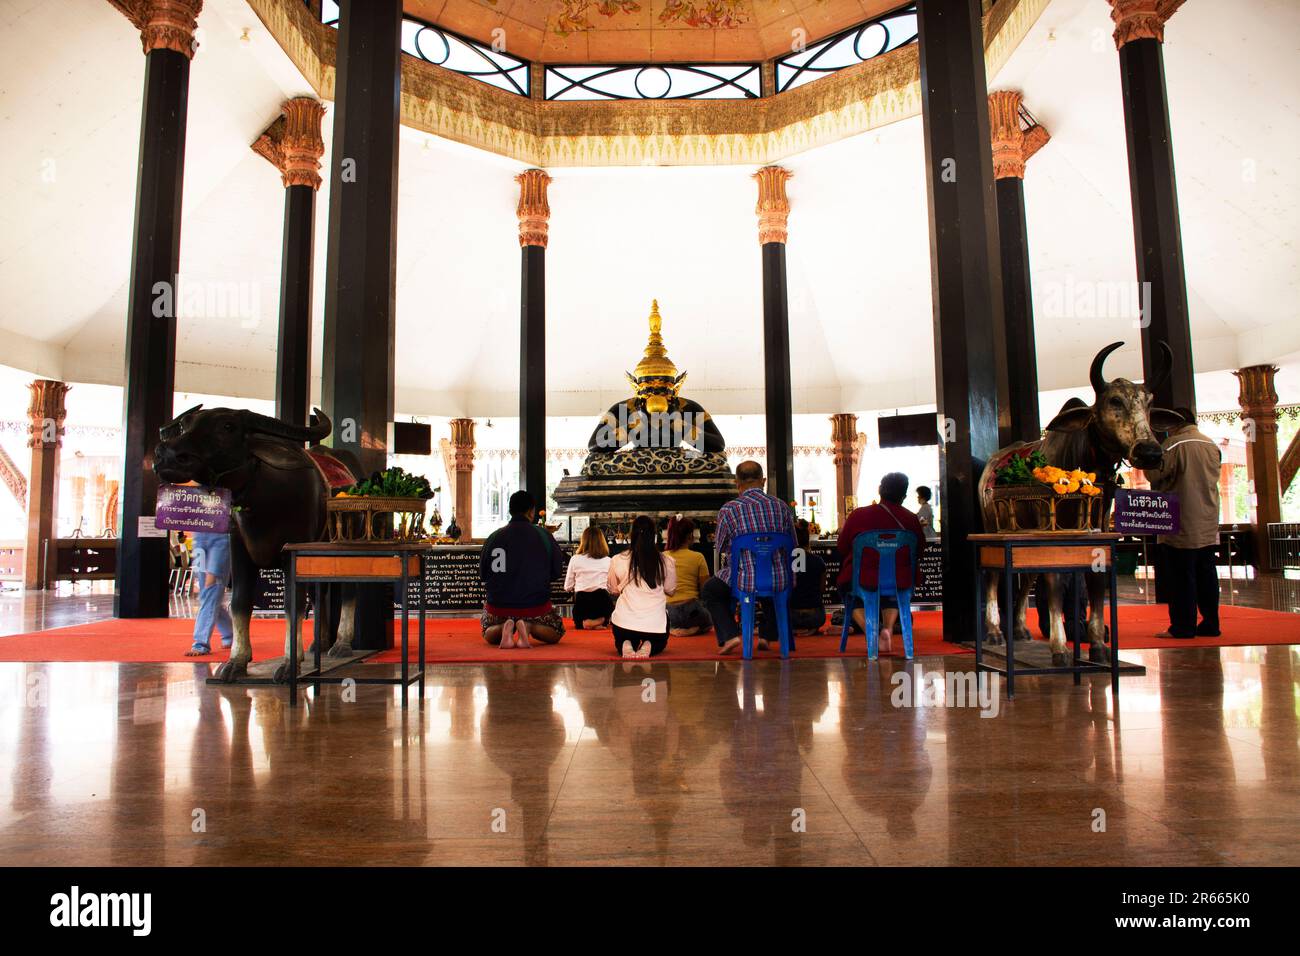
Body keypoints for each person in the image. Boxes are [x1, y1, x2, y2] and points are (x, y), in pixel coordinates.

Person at [702, 460, 798, 655]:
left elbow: (720, 547)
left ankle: (730, 635)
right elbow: (793, 544)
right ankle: (766, 636)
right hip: (780, 578)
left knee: (711, 590)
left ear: (737, 483)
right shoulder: (781, 507)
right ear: (763, 481)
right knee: (775, 586)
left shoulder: (729, 510)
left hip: (743, 579)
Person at [1144, 408, 1222, 639]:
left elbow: (1154, 475)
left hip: (1180, 521)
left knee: (1181, 577)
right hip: (1208, 520)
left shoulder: (1174, 445)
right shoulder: (1211, 444)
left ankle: (1183, 626)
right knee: (1207, 575)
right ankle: (1211, 624)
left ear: (1174, 423)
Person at [836, 472, 926, 652]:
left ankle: (871, 632)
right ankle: (888, 628)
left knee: (848, 589)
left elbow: (842, 547)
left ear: (880, 490)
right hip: (899, 579)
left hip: (863, 578)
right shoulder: (910, 519)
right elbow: (920, 550)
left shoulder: (858, 515)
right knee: (892, 594)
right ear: (904, 496)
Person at [479, 490, 566, 648]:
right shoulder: (544, 536)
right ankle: (528, 626)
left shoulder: (494, 537)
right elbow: (556, 572)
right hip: (535, 606)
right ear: (531, 512)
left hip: (498, 606)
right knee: (557, 631)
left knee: (487, 630)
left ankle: (503, 628)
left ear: (510, 510)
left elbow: (484, 575)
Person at [607, 515, 677, 658]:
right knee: (660, 641)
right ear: (654, 535)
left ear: (631, 535)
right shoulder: (666, 561)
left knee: (622, 636)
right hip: (654, 624)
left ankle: (625, 642)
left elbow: (613, 590)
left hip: (624, 623)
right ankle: (650, 644)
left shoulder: (617, 559)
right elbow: (671, 590)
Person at [187, 529, 233, 656]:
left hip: (219, 536)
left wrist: (214, 571)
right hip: (200, 537)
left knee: (211, 594)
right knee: (208, 597)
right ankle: (229, 635)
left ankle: (201, 643)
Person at [664, 515, 711, 636]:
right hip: (693, 611)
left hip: (668, 612)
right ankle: (696, 628)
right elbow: (706, 589)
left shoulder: (662, 557)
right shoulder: (698, 557)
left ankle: (671, 629)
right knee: (709, 620)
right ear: (690, 536)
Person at [565, 525, 614, 629]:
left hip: (582, 604)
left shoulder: (575, 559)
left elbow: (567, 587)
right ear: (602, 542)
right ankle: (601, 621)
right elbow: (611, 588)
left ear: (583, 541)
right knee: (607, 604)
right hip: (602, 604)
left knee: (579, 614)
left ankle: (586, 623)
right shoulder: (608, 561)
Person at [788, 518, 827, 635]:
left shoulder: (784, 561)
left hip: (791, 617)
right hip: (815, 617)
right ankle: (810, 628)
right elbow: (822, 589)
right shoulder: (818, 561)